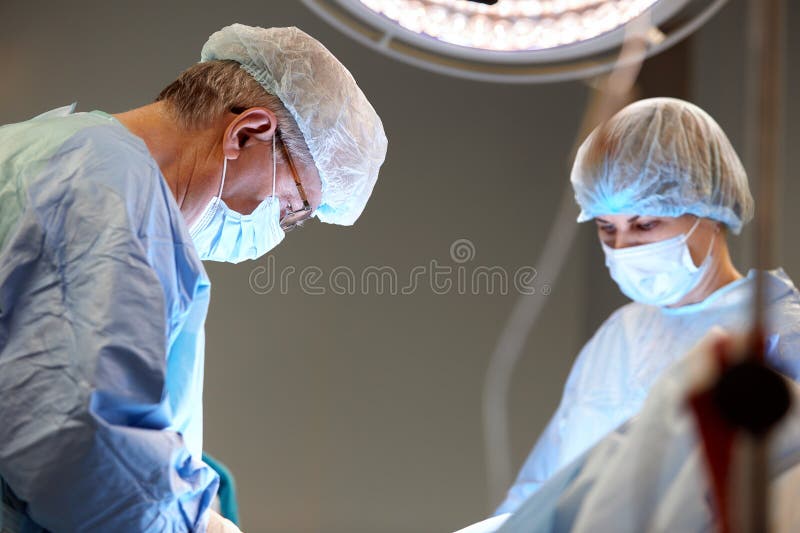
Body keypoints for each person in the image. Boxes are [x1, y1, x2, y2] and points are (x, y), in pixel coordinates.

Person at [0, 24, 387, 532]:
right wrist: (190, 522)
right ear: (246, 133)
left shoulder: (44, 150)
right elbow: (84, 449)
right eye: (292, 208)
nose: (279, 228)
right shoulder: (115, 196)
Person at [495, 97, 800, 514]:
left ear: (709, 210)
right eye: (607, 227)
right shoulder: (619, 336)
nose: (623, 247)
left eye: (645, 224)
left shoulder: (778, 335)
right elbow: (542, 488)